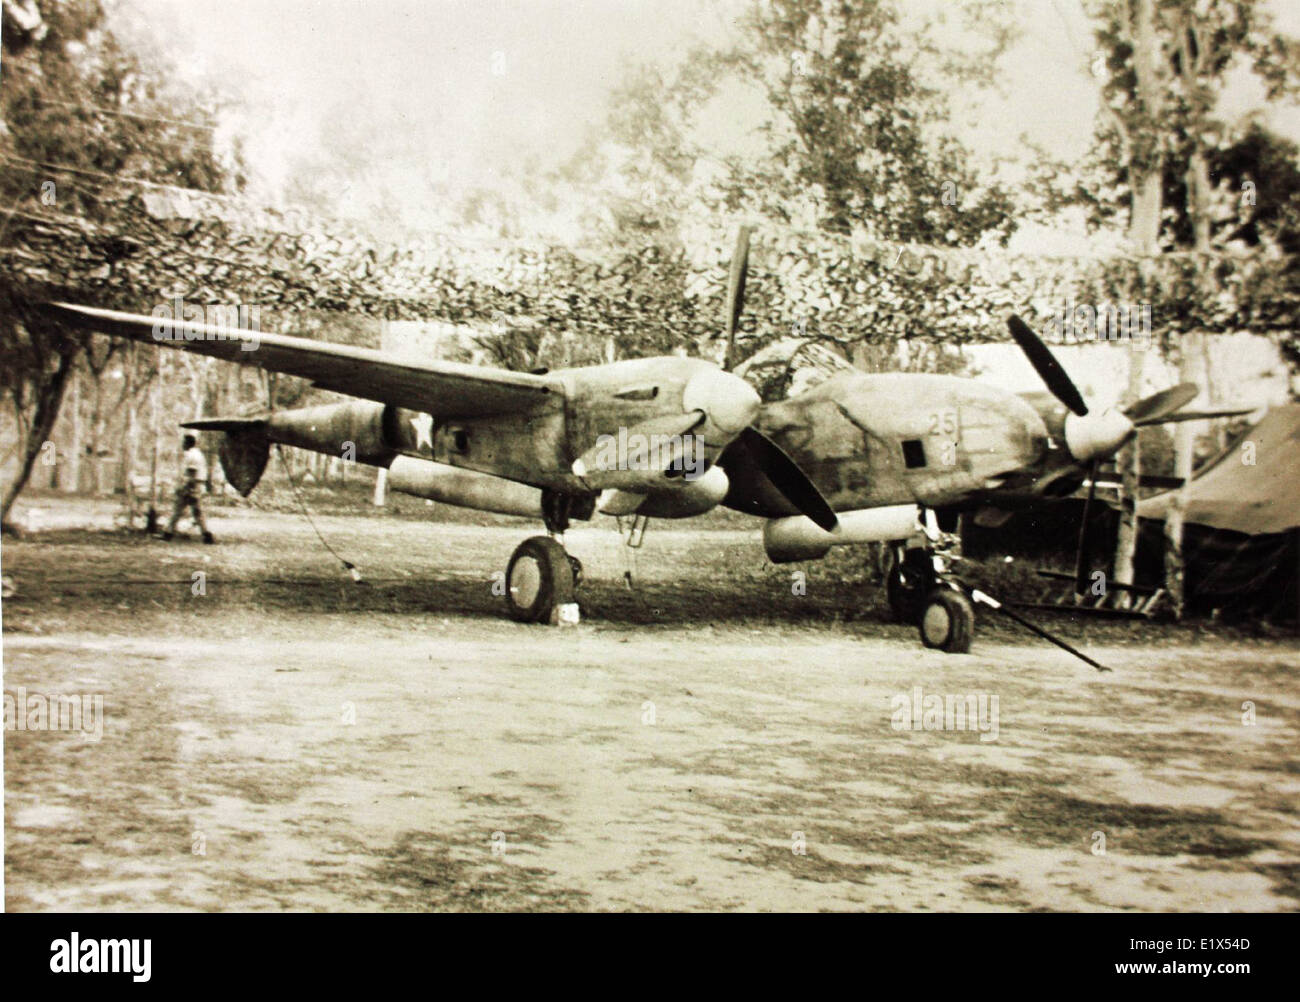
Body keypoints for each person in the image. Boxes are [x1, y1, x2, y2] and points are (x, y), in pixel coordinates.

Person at [161, 434, 214, 543]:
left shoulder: (192, 455)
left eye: (184, 442)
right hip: (195, 485)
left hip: (192, 485)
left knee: (180, 510)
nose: (182, 444)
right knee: (194, 511)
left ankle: (168, 533)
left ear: (188, 443)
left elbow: (192, 473)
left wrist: (186, 488)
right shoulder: (197, 454)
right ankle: (206, 535)